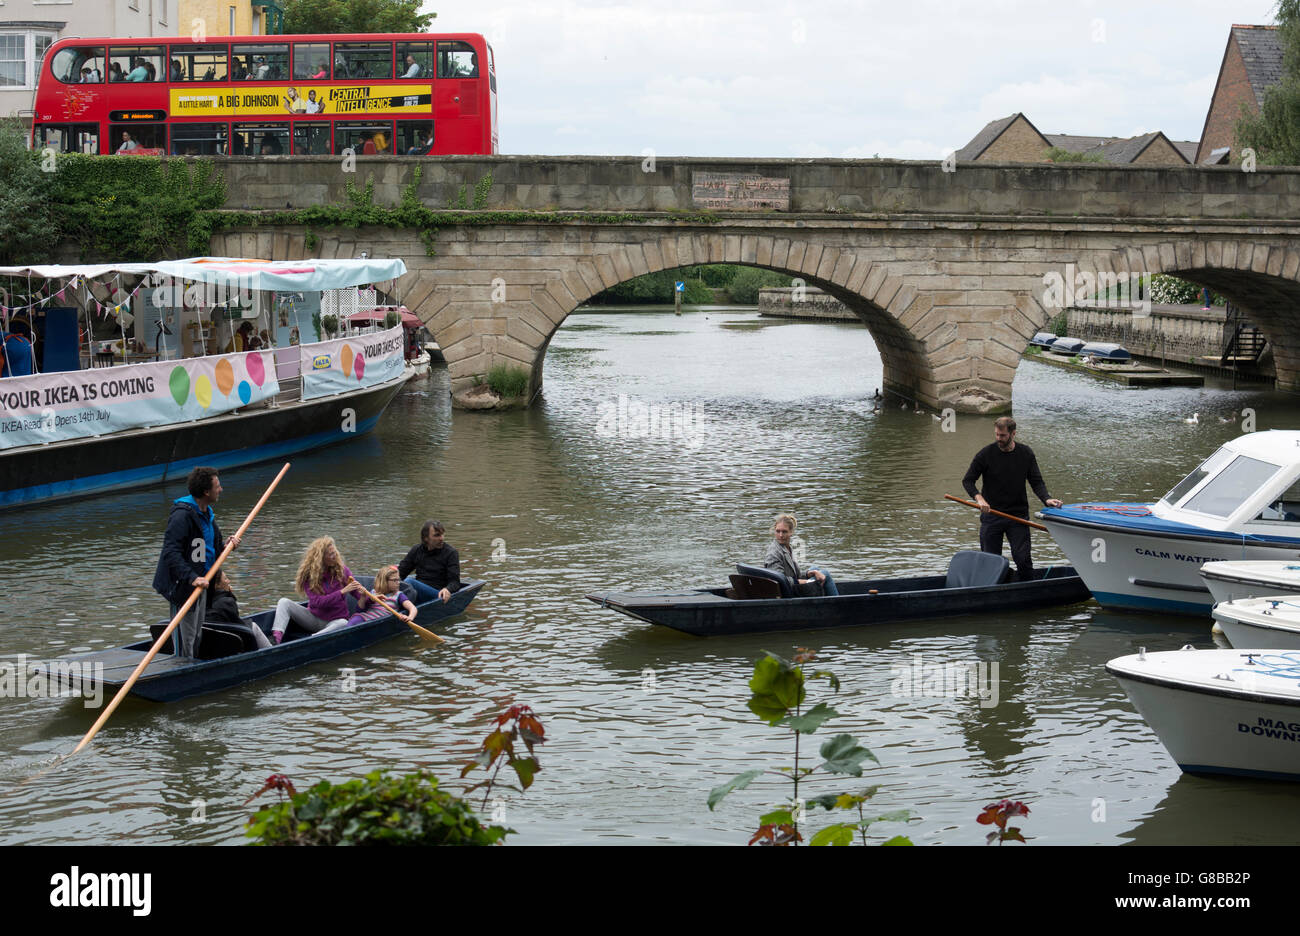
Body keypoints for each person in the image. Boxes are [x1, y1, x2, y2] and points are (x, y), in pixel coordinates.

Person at [151, 467, 241, 658]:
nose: (221, 489)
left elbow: (209, 550)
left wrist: (226, 547)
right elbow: (170, 553)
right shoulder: (182, 516)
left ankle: (193, 665)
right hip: (182, 586)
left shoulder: (207, 514)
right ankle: (181, 669)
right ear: (206, 492)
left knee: (196, 634)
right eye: (218, 486)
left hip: (201, 584)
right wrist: (192, 578)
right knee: (185, 639)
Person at [961, 416, 1063, 581]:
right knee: (990, 562)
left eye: (1002, 436)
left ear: (1013, 434)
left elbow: (1036, 482)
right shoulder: (985, 454)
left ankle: (1027, 592)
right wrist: (979, 499)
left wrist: (1047, 499)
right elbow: (968, 481)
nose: (998, 439)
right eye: (996, 435)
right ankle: (993, 593)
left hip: (1017, 517)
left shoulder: (1026, 453)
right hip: (992, 515)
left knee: (1023, 560)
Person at [270, 537, 361, 644]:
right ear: (321, 558)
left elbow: (357, 594)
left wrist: (370, 597)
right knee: (284, 602)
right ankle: (276, 639)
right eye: (330, 554)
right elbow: (317, 602)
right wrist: (342, 592)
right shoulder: (309, 576)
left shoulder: (343, 571)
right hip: (313, 618)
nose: (335, 556)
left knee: (343, 623)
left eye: (335, 552)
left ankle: (313, 639)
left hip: (335, 621)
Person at [763, 513, 838, 597]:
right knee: (825, 574)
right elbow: (780, 580)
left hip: (791, 586)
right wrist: (806, 582)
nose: (780, 535)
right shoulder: (773, 552)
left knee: (816, 569)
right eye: (778, 531)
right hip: (787, 592)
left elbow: (795, 575)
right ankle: (837, 605)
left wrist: (809, 573)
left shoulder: (787, 547)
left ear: (791, 532)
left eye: (784, 532)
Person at [205, 570, 273, 649]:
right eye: (226, 579)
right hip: (233, 641)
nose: (229, 581)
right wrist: (229, 595)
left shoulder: (205, 602)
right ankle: (271, 649)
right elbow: (238, 624)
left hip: (216, 643)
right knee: (253, 626)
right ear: (217, 585)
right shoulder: (227, 602)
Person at [398, 520, 462, 603]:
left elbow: (455, 582)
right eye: (437, 535)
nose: (441, 538)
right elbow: (401, 573)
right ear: (426, 538)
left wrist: (448, 589)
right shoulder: (417, 550)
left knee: (409, 582)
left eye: (442, 534)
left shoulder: (451, 553)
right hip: (417, 591)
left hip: (437, 594)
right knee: (393, 581)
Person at [342, 565, 418, 630]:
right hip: (366, 618)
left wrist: (410, 617)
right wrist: (363, 596)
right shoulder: (373, 592)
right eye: (394, 580)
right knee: (355, 619)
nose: (398, 582)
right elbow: (360, 610)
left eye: (398, 579)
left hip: (380, 622)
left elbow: (413, 608)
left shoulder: (399, 595)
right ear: (384, 581)